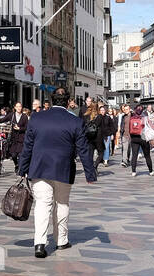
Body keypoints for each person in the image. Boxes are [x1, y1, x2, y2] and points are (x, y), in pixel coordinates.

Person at [16, 86, 97, 258]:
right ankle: (61, 240)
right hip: (63, 168)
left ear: (51, 101)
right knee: (62, 204)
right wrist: (90, 174)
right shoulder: (75, 121)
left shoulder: (36, 118)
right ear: (68, 103)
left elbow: (27, 146)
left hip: (39, 167)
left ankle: (39, 243)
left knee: (42, 204)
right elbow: (83, 149)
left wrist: (22, 168)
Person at [126, 104, 153, 177]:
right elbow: (151, 127)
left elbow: (128, 128)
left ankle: (133, 171)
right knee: (147, 155)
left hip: (134, 138)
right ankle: (150, 171)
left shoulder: (131, 118)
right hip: (143, 138)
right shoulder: (145, 118)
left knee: (134, 155)